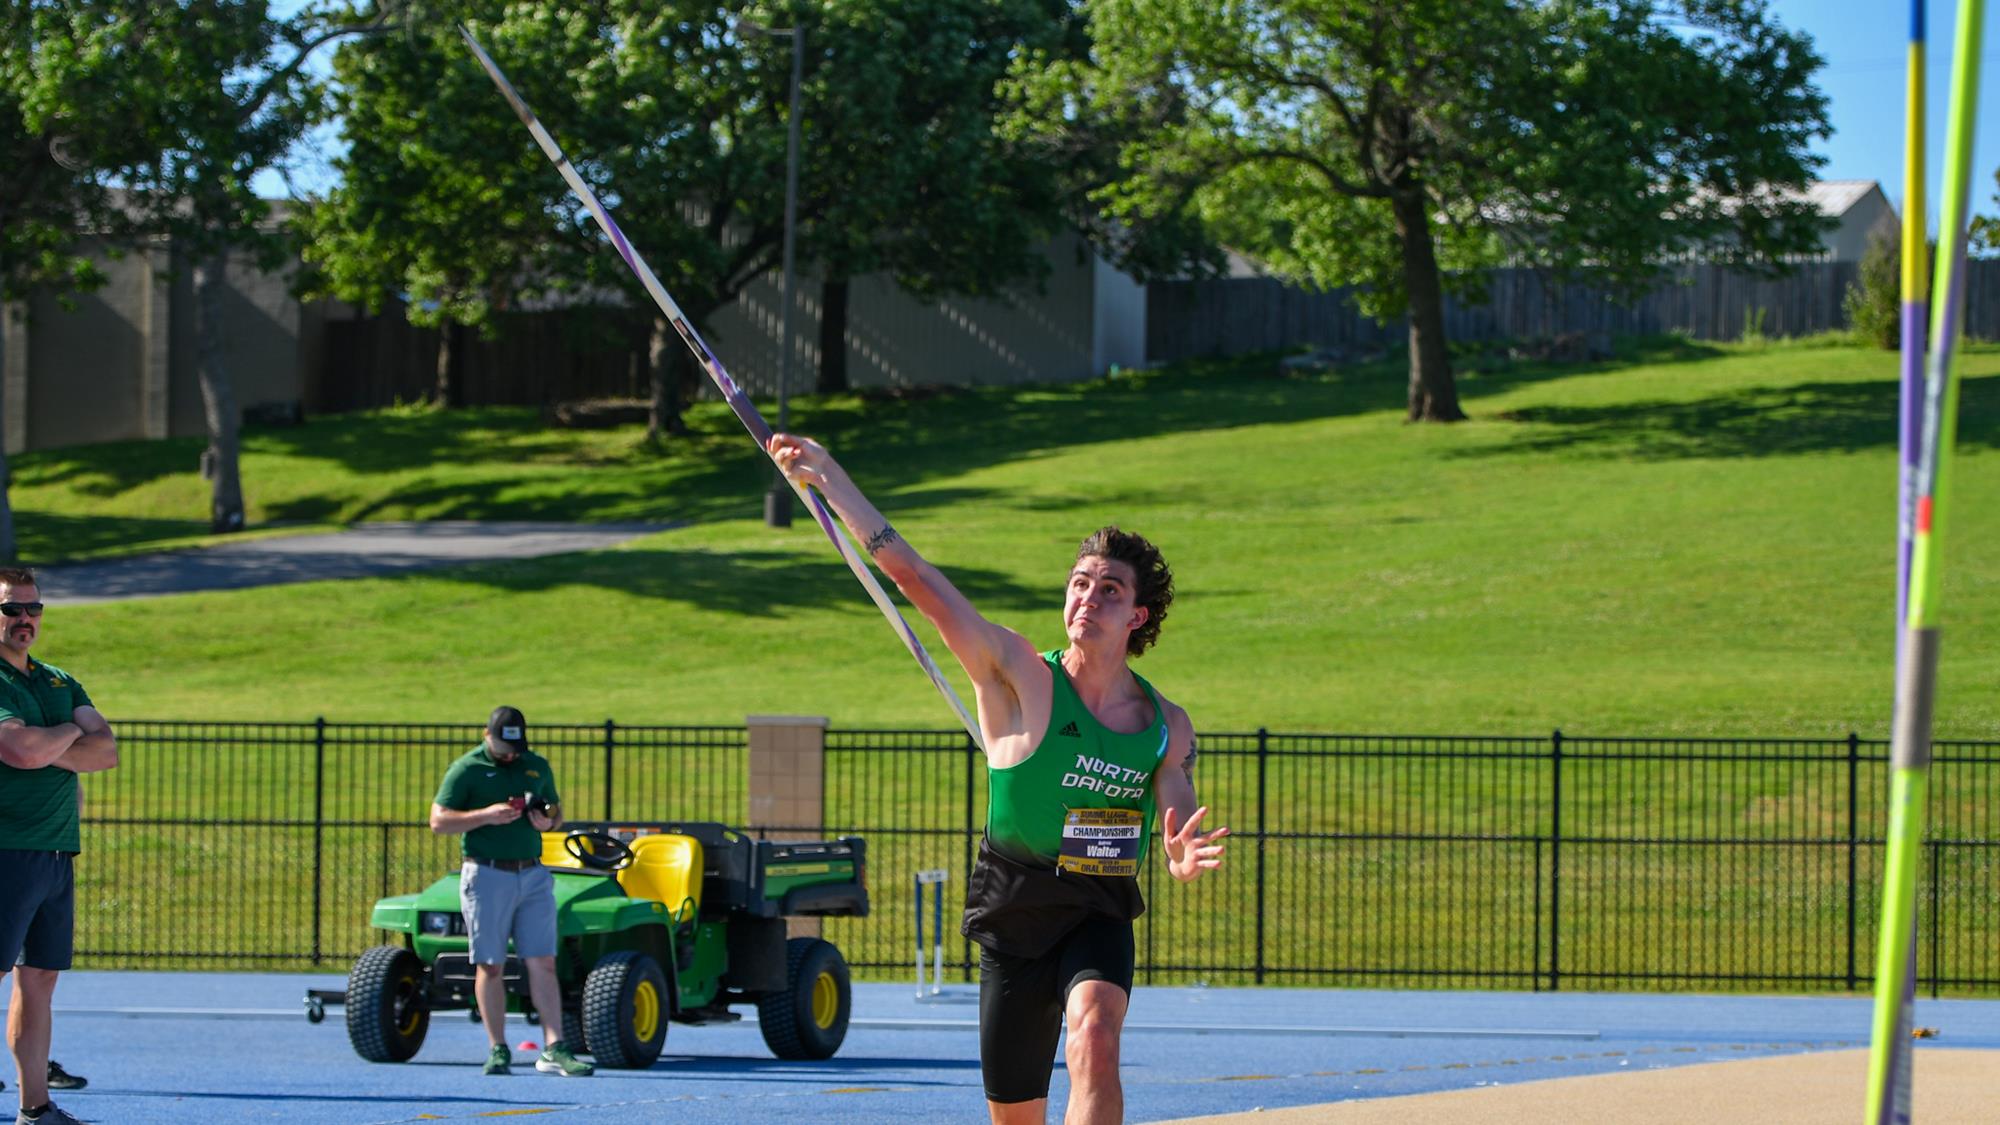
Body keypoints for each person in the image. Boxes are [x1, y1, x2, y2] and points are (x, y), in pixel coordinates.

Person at [768, 434, 1229, 1125]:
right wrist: (829, 476)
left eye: (1109, 589)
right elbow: (915, 578)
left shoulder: (1166, 724)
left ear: (1137, 616)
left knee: (1096, 1036)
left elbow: (1175, 807)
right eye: (1080, 583)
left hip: (1097, 910)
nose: (1088, 597)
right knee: (1016, 1115)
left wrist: (1178, 850)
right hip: (1014, 915)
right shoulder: (1019, 674)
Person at [0, 567, 118, 1125]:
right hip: (6, 849)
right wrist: (70, 733)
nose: (24, 619)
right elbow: (20, 751)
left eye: (33, 608)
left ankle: (35, 1108)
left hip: (54, 852)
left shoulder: (57, 679)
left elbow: (106, 751)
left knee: (40, 979)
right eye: (11, 609)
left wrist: (51, 740)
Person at [430, 706, 593, 1078]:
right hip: (487, 873)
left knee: (543, 960)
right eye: (503, 748)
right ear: (487, 735)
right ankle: (498, 1047)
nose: (509, 756)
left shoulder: (535, 765)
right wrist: (485, 815)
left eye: (514, 749)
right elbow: (438, 821)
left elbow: (555, 811)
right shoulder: (466, 769)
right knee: (490, 963)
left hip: (532, 872)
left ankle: (554, 1046)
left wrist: (547, 821)